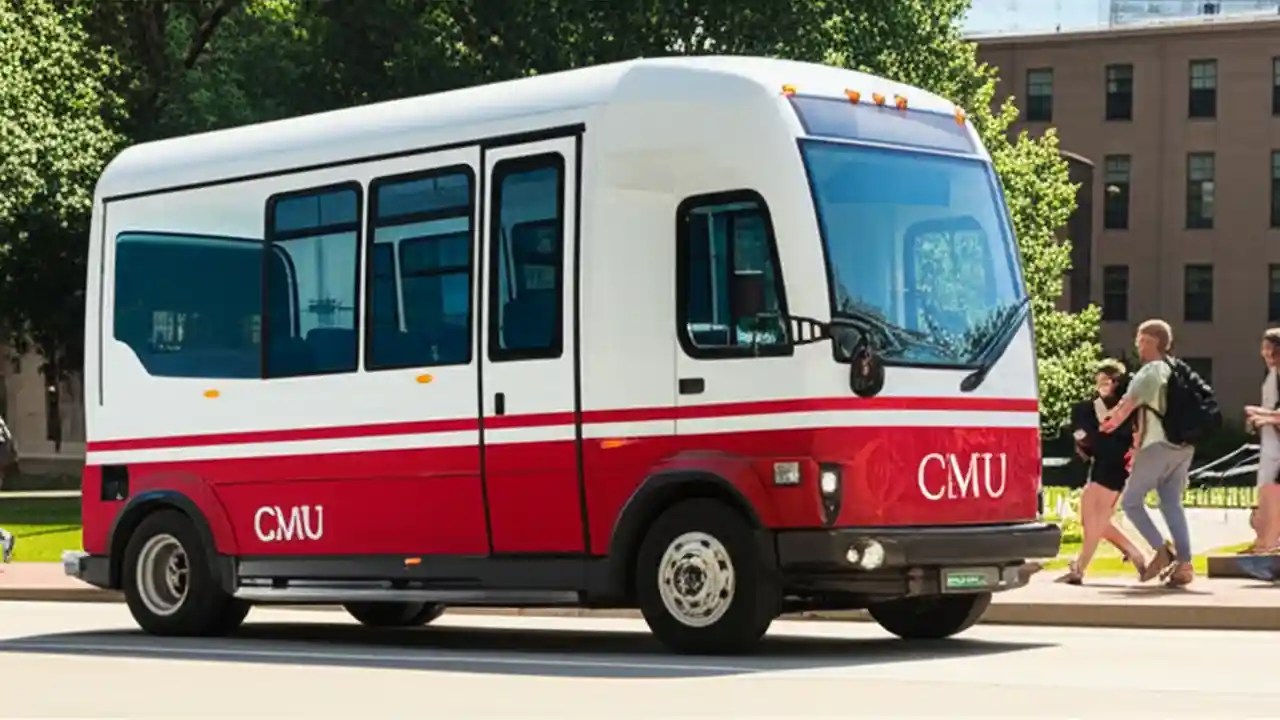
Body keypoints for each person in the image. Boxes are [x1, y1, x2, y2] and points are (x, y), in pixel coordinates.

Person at [1100, 319, 1196, 586]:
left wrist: (1105, 421)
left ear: (1152, 342)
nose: (1137, 346)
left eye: (1141, 340)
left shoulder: (1149, 372)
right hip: (1183, 446)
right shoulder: (1176, 370)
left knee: (1131, 501)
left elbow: (1123, 409)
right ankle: (1185, 565)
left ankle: (1162, 551)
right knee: (1171, 503)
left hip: (1157, 445)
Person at [1058, 359, 1149, 584]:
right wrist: (1083, 440)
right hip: (1099, 464)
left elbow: (1130, 438)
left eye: (1106, 381)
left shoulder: (1127, 409)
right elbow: (1085, 437)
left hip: (1118, 467)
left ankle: (1080, 567)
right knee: (1094, 519)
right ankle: (1137, 555)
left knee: (1094, 520)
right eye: (1098, 381)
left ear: (1117, 382)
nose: (1101, 386)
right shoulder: (1089, 408)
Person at [1242, 328, 1280, 554]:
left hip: (1277, 448)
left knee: (1270, 496)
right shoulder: (1271, 377)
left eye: (1270, 348)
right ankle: (1266, 544)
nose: (1265, 353)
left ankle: (1266, 545)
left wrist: (1261, 416)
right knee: (1268, 496)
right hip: (1271, 445)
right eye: (1264, 348)